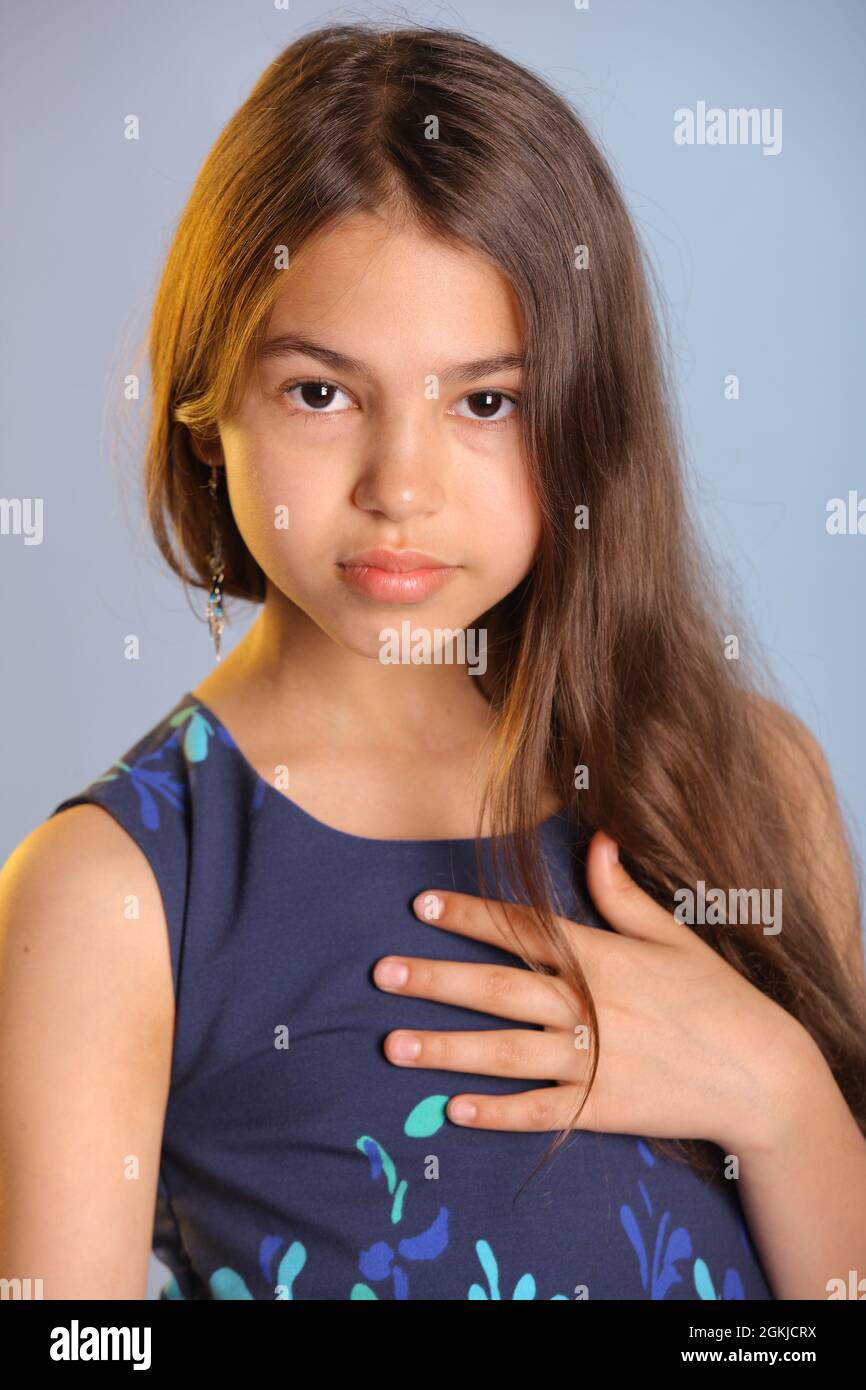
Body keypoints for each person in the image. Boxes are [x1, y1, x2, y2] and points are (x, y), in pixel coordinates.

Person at [1, 22, 865, 1302]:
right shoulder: (110, 896)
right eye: (319, 392)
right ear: (207, 407)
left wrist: (780, 1096)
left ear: (586, 422)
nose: (398, 488)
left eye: (484, 401)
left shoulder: (750, 782)